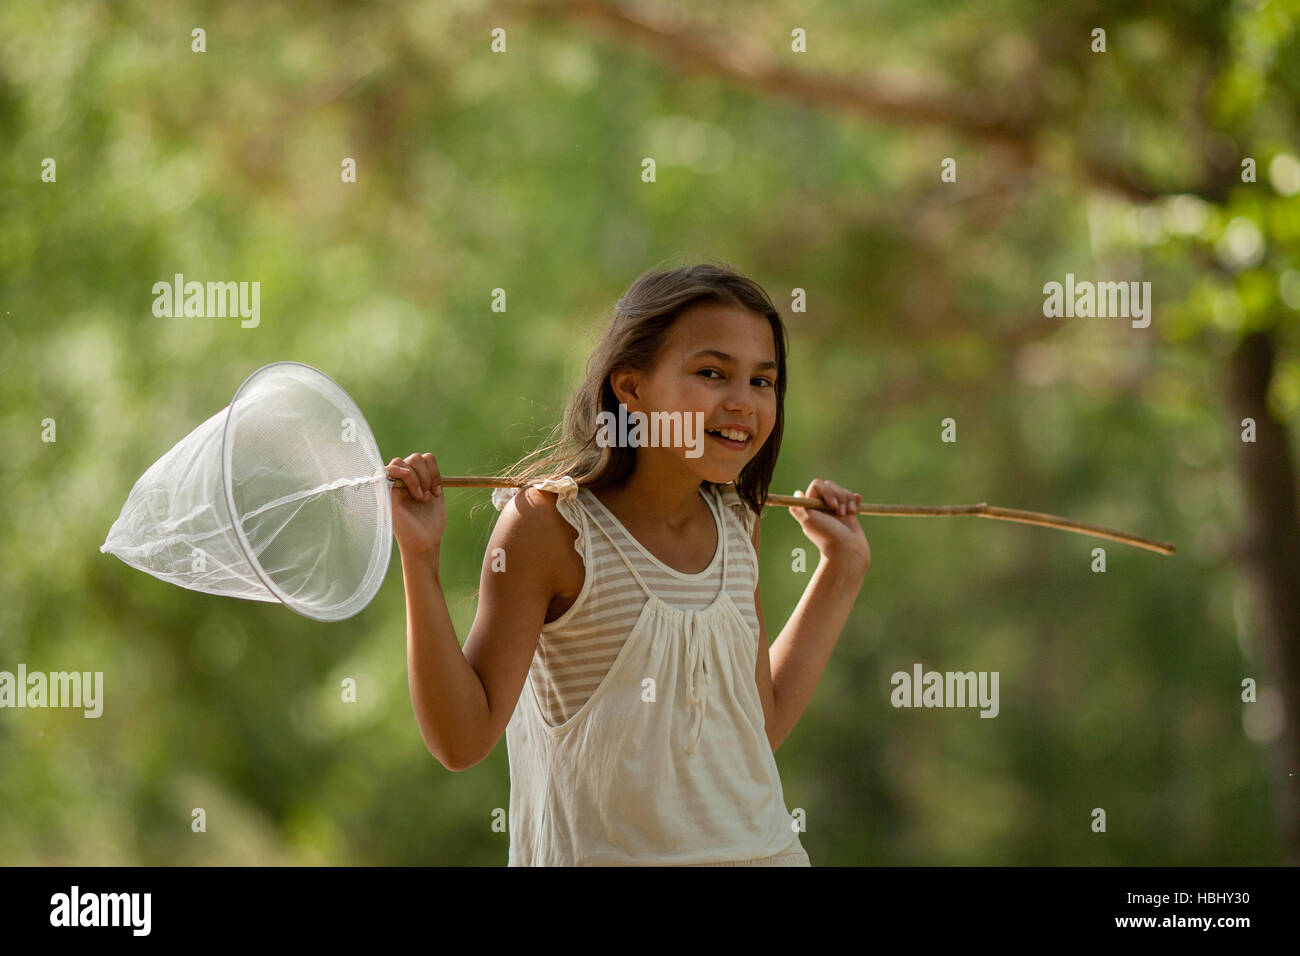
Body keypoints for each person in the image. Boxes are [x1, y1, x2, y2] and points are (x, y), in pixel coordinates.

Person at [389, 261, 870, 865]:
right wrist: (420, 558)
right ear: (632, 387)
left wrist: (841, 570)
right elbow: (461, 740)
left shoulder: (733, 524)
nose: (743, 402)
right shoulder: (551, 527)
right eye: (712, 373)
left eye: (763, 381)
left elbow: (753, 730)